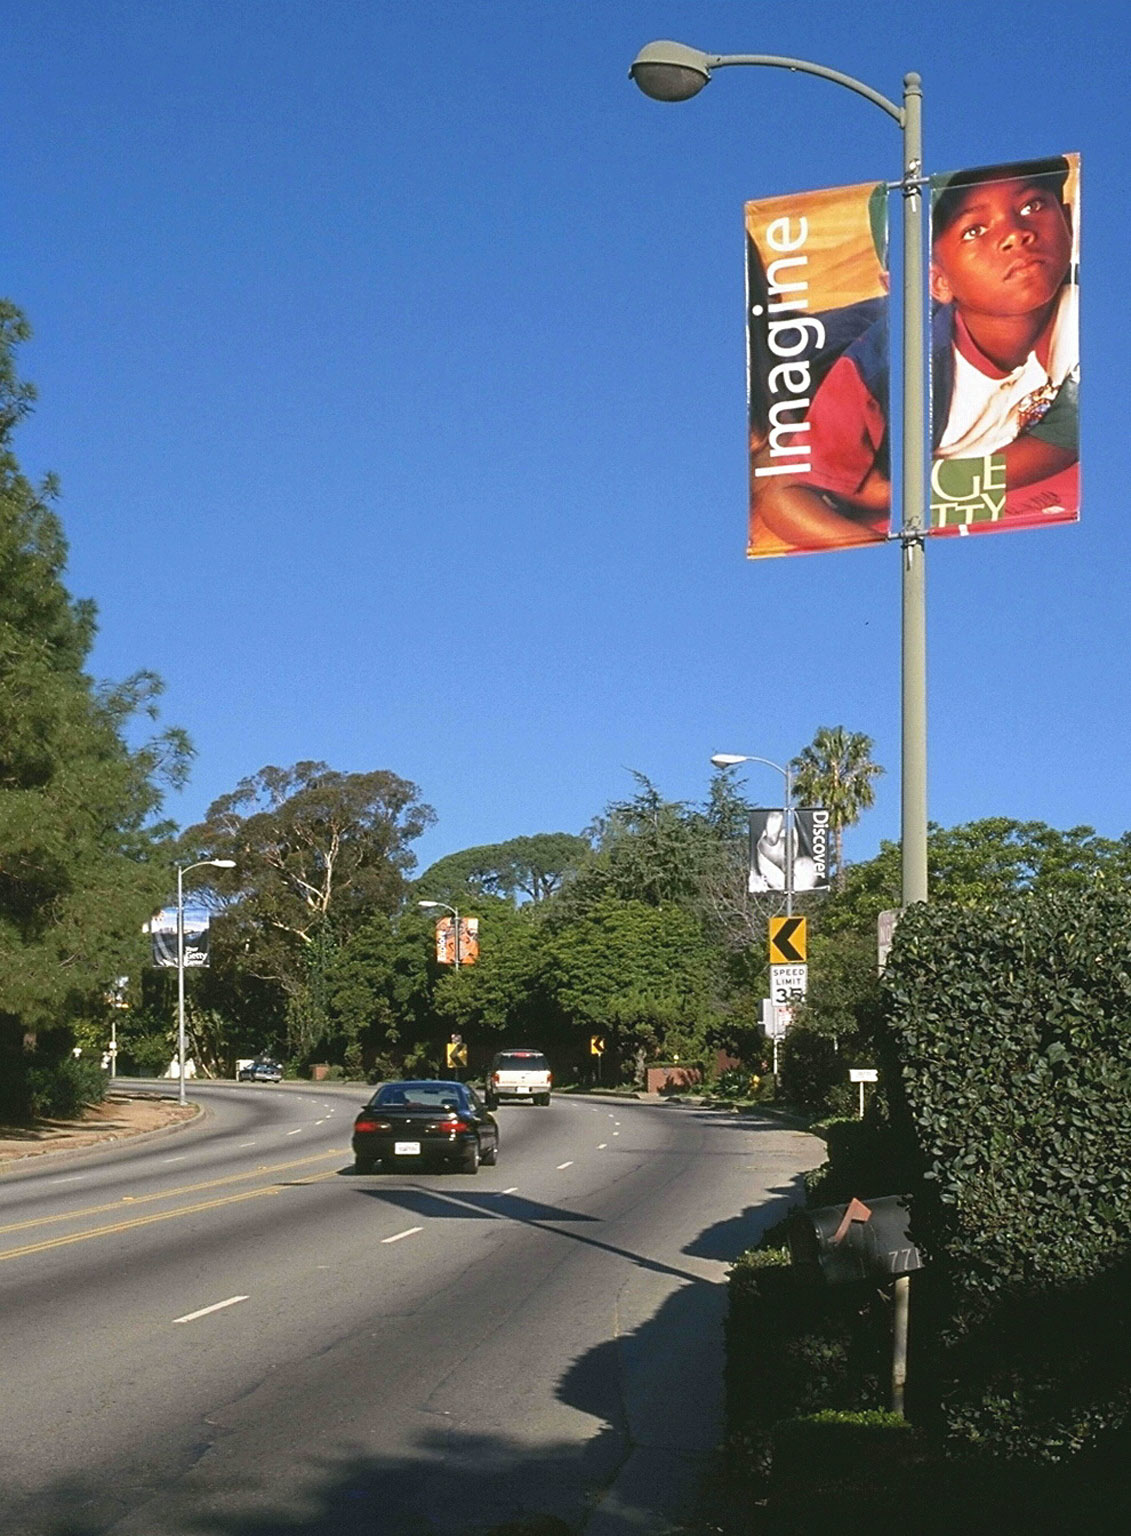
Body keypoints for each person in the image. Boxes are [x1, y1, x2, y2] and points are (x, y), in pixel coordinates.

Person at [752, 156, 1077, 552]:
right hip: (812, 358)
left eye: (1032, 205)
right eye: (974, 229)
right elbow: (783, 496)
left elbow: (1066, 436)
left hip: (919, 314)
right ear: (935, 280)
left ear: (1067, 218)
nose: (1016, 233)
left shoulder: (1079, 317)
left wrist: (901, 492)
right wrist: (889, 568)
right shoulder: (878, 371)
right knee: (765, 422)